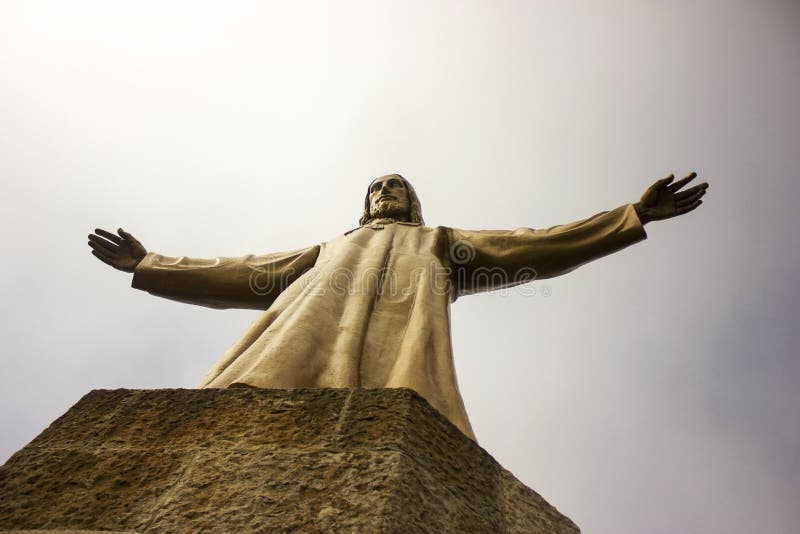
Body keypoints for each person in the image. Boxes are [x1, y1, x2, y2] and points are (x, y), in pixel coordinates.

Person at [88, 173, 708, 440]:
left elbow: (535, 244)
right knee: (256, 391)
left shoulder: (439, 244)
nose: (387, 191)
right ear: (365, 205)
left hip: (402, 352)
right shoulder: (332, 247)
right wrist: (150, 264)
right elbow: (246, 271)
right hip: (300, 337)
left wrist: (631, 215)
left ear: (414, 205)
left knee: (402, 406)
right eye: (377, 186)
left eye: (397, 186)